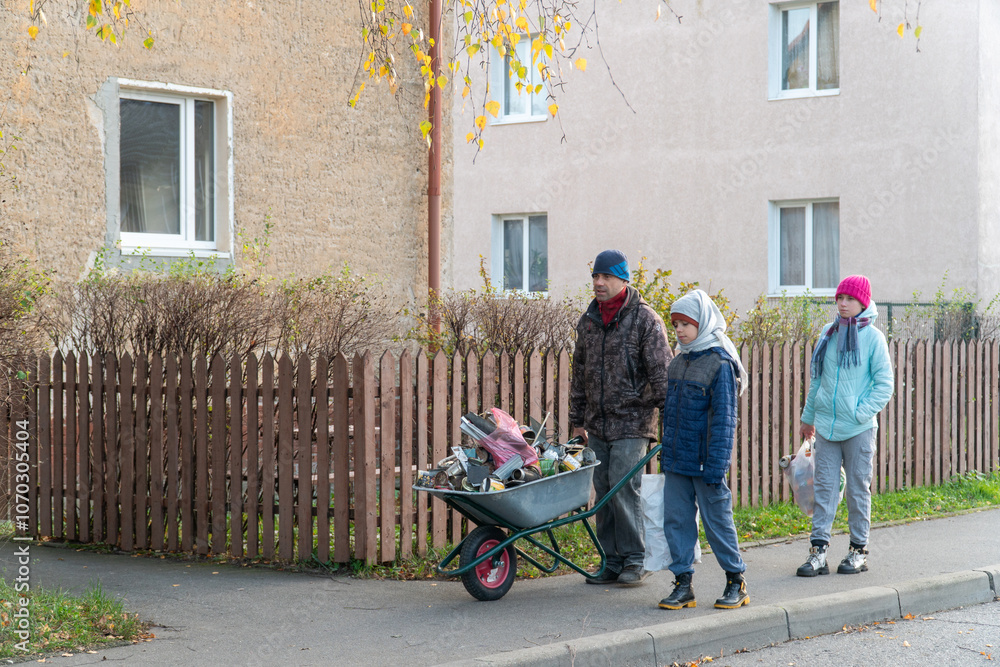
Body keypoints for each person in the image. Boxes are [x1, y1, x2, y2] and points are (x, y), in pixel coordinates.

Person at [570, 249, 672, 586]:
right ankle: (611, 560)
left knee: (623, 485)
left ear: (623, 280)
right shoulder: (589, 320)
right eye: (595, 277)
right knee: (602, 489)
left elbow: (662, 375)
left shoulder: (645, 320)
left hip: (633, 421)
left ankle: (634, 558)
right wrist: (577, 419)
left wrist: (668, 418)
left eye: (606, 277)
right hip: (597, 422)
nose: (599, 283)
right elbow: (579, 372)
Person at [658, 289, 751, 610]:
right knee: (676, 522)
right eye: (676, 325)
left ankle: (735, 580)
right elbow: (669, 415)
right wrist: (666, 454)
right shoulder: (678, 362)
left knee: (717, 523)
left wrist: (716, 466)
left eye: (686, 324)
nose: (680, 330)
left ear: (704, 322)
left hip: (705, 464)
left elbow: (725, 420)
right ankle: (683, 585)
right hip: (676, 463)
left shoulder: (719, 364)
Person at [796, 275, 894, 577]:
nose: (842, 304)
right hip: (826, 426)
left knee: (856, 489)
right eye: (839, 298)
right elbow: (818, 380)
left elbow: (884, 385)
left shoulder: (873, 338)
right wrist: (808, 417)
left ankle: (857, 551)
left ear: (863, 302)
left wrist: (859, 412)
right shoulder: (829, 333)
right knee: (823, 489)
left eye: (849, 299)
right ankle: (819, 552)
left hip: (859, 429)